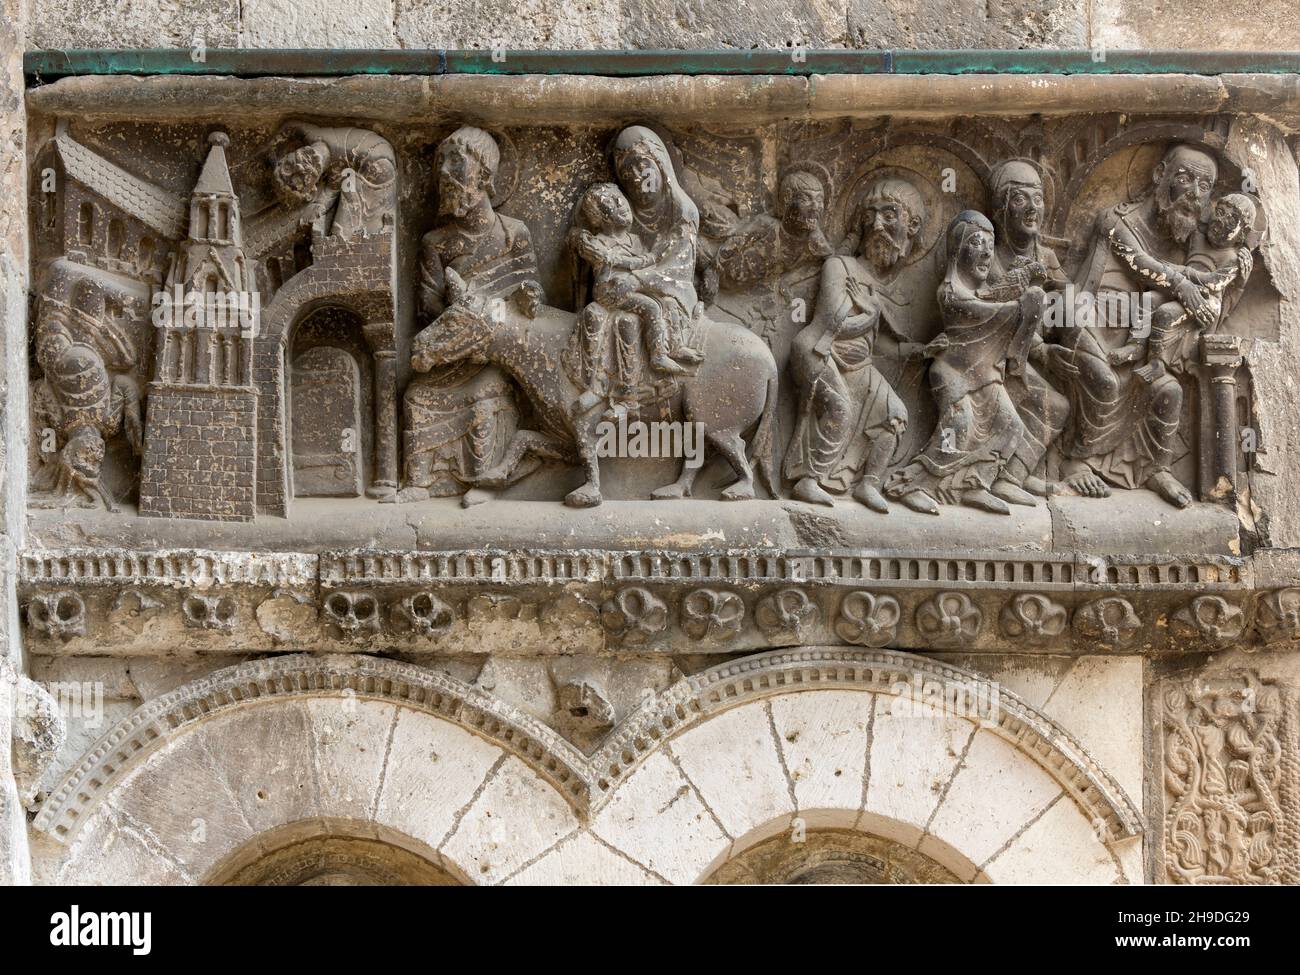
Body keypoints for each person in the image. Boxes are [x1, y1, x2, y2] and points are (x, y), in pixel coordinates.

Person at [886, 211, 1045, 515]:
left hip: (985, 373)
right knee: (956, 428)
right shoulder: (951, 293)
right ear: (957, 251)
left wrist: (1027, 296)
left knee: (1011, 427)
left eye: (990, 243)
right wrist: (1022, 306)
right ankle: (910, 485)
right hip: (954, 374)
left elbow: (993, 303)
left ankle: (975, 484)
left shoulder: (983, 293)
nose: (986, 252)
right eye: (976, 243)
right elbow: (984, 314)